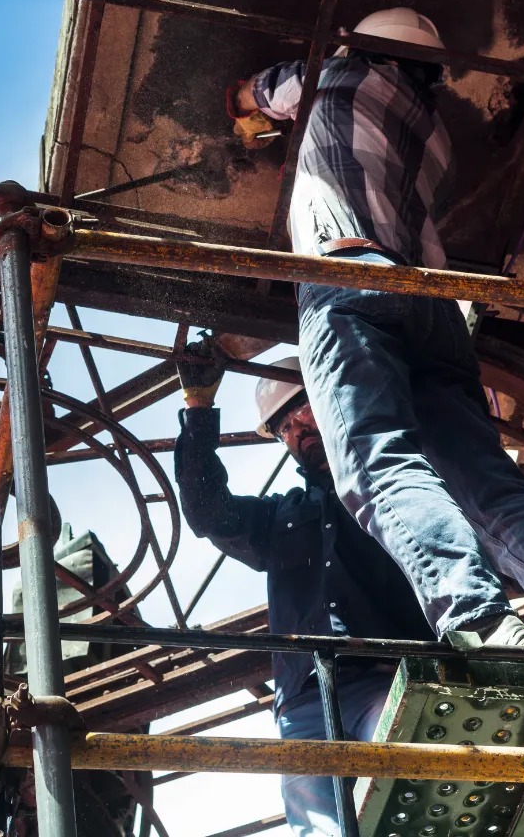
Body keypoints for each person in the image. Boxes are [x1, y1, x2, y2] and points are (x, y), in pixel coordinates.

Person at [228, 7, 524, 653]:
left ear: (363, 48)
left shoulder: (335, 78)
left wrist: (241, 106)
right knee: (488, 485)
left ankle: (478, 619)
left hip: (346, 272)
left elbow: (262, 92)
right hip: (428, 303)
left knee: (377, 465)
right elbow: (433, 258)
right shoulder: (439, 148)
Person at [173, 346, 432, 837]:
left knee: (409, 788)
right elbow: (208, 510)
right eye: (282, 427)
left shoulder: (391, 483)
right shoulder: (280, 519)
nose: (297, 431)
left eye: (300, 411)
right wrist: (199, 410)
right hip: (304, 697)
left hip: (387, 675)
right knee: (318, 827)